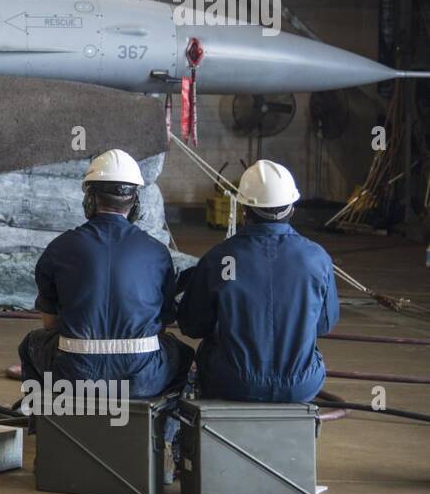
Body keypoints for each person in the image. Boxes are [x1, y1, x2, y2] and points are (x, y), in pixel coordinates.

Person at [18, 148, 192, 403]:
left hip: (74, 377)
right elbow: (162, 323)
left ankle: (50, 426)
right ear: (136, 204)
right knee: (183, 355)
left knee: (31, 344)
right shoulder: (157, 252)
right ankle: (160, 430)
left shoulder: (60, 248)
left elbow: (49, 324)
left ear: (89, 198)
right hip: (142, 378)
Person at [177, 159, 337, 403]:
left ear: (244, 210)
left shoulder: (220, 258)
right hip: (301, 384)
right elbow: (324, 324)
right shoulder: (317, 258)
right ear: (292, 208)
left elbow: (193, 326)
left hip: (233, 383)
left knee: (205, 351)